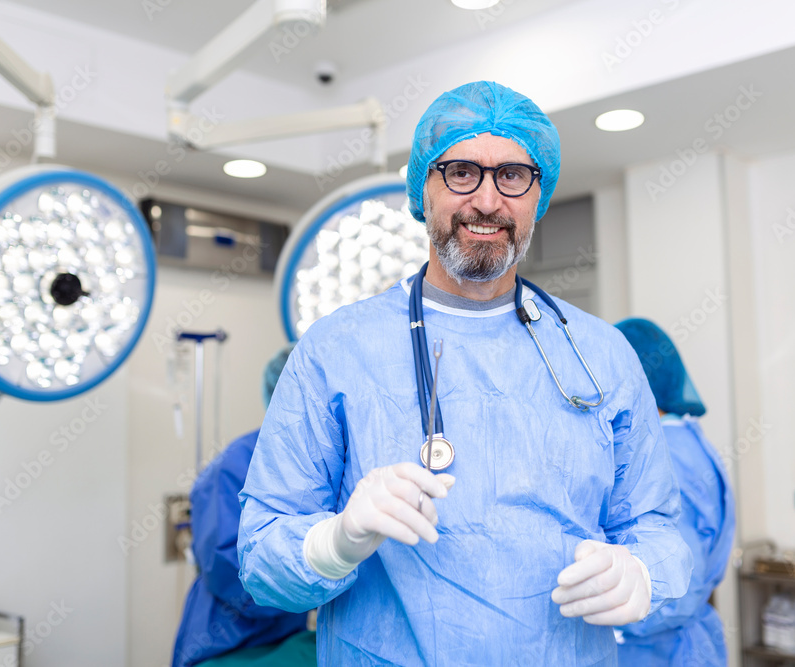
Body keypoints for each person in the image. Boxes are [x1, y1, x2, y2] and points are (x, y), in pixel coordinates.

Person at [238, 81, 692, 665]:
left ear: (539, 195)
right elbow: (259, 558)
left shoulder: (600, 354)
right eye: (460, 172)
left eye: (513, 176)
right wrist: (336, 541)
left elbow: (658, 528)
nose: (486, 200)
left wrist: (645, 573)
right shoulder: (335, 351)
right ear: (423, 189)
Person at [172, 344, 316, 667]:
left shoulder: (313, 461)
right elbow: (227, 569)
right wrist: (313, 583)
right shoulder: (235, 465)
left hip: (285, 636)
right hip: (227, 641)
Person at [613, 318, 737, 666]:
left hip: (661, 647)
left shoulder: (664, 453)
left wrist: (607, 621)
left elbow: (677, 586)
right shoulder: (684, 439)